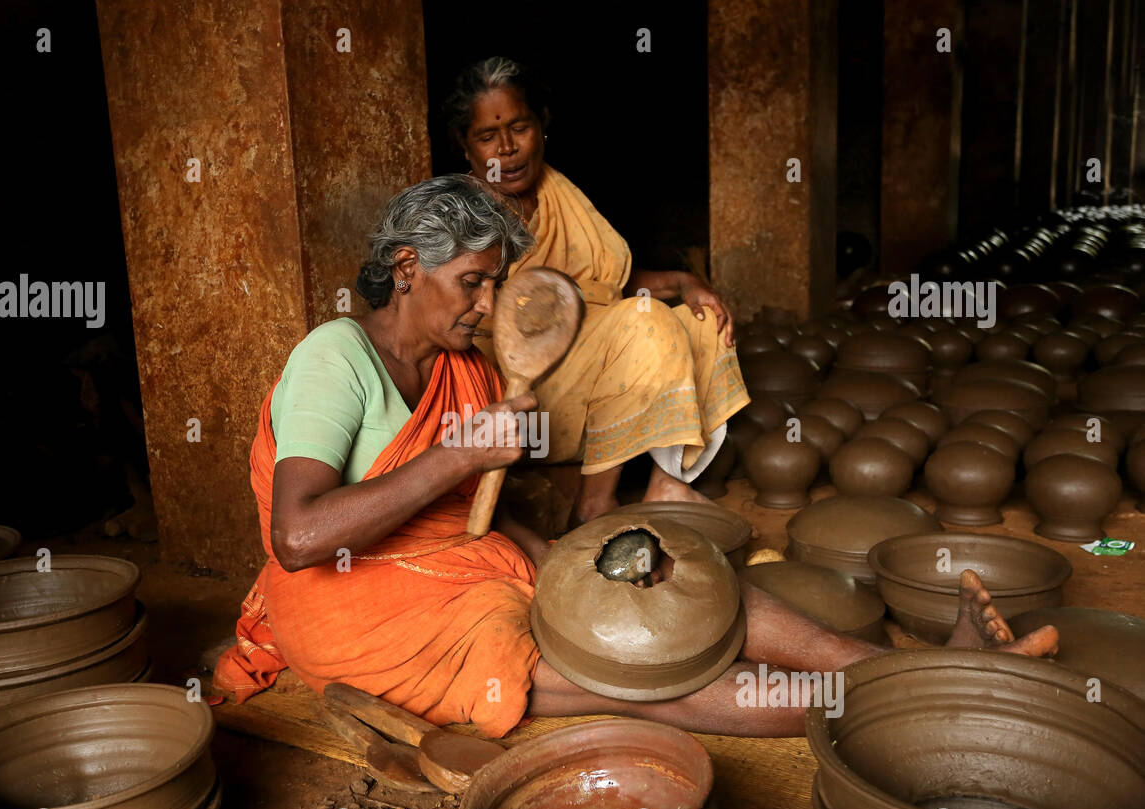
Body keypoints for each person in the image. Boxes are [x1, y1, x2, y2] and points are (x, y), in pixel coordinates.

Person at [213, 175, 1059, 740]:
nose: (488, 303)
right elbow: (298, 536)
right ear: (406, 269)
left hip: (464, 564)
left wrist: (562, 565)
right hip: (361, 614)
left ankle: (923, 670)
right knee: (648, 667)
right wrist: (458, 459)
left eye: (495, 283)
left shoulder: (461, 364)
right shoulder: (337, 357)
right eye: (472, 281)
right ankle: (925, 708)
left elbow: (472, 514)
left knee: (692, 588)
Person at [443, 56, 748, 523]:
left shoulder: (557, 191)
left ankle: (665, 485)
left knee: (701, 322)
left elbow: (609, 285)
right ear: (465, 148)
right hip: (510, 392)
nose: (506, 148)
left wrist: (685, 283)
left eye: (519, 127)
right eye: (487, 137)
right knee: (642, 322)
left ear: (541, 126)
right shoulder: (463, 214)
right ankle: (595, 503)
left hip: (582, 370)